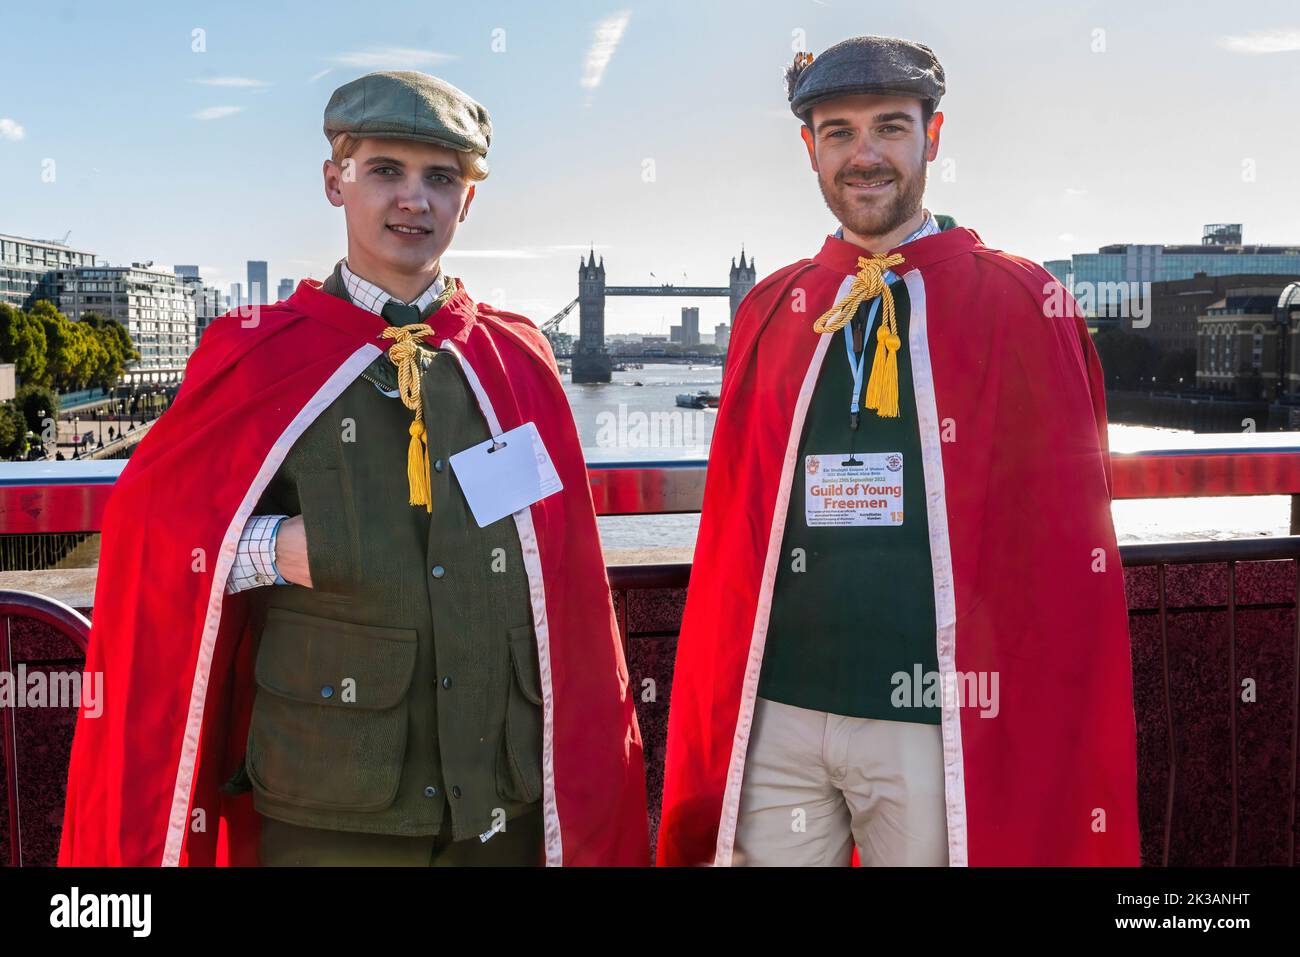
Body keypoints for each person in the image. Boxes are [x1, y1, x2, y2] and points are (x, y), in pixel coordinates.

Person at [59, 70, 648, 866]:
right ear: (335, 181)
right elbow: (153, 533)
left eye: (440, 178)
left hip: (506, 799)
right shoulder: (258, 351)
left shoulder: (518, 361)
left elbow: (565, 573)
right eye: (385, 172)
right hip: (327, 807)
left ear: (466, 201)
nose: (414, 199)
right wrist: (276, 547)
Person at [657, 36, 1139, 867]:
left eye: (890, 127)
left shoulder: (1024, 303)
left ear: (933, 137)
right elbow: (737, 523)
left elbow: (1063, 537)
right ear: (810, 148)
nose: (865, 154)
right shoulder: (773, 308)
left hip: (935, 723)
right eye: (838, 132)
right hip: (777, 716)